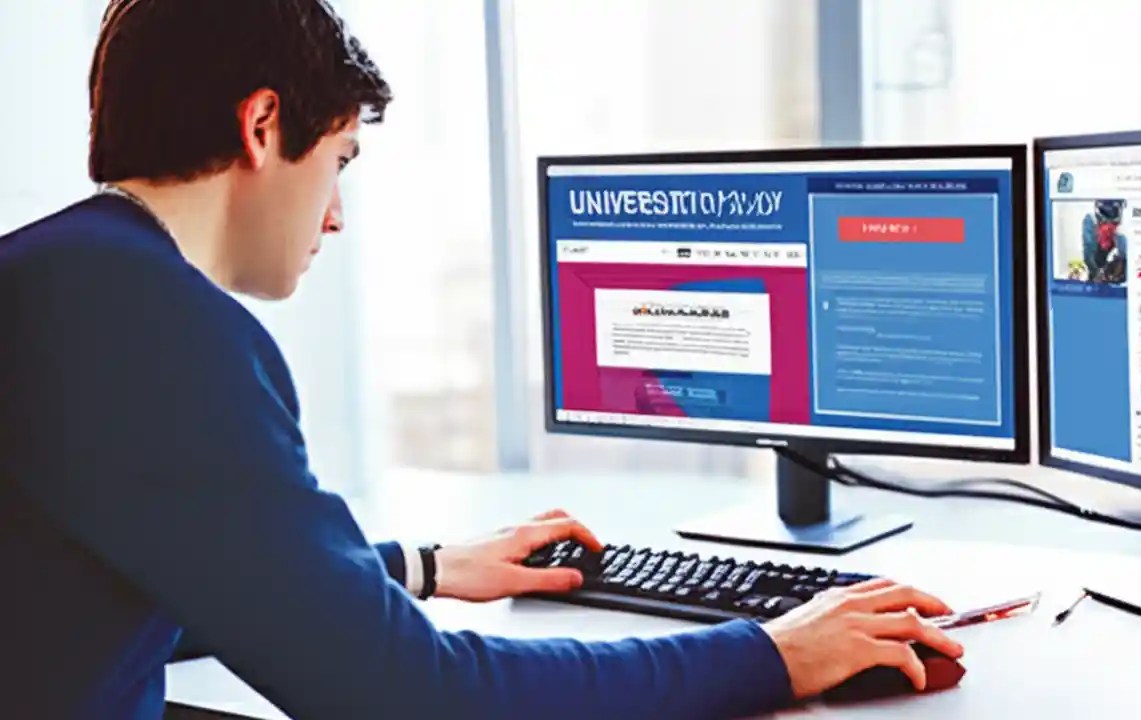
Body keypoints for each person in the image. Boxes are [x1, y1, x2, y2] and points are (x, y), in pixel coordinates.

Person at [0, 1, 963, 718]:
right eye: (339, 159)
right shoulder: (151, 323)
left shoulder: (58, 273)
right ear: (262, 127)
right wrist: (771, 654)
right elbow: (409, 695)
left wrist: (420, 566)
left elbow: (162, 588)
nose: (334, 213)